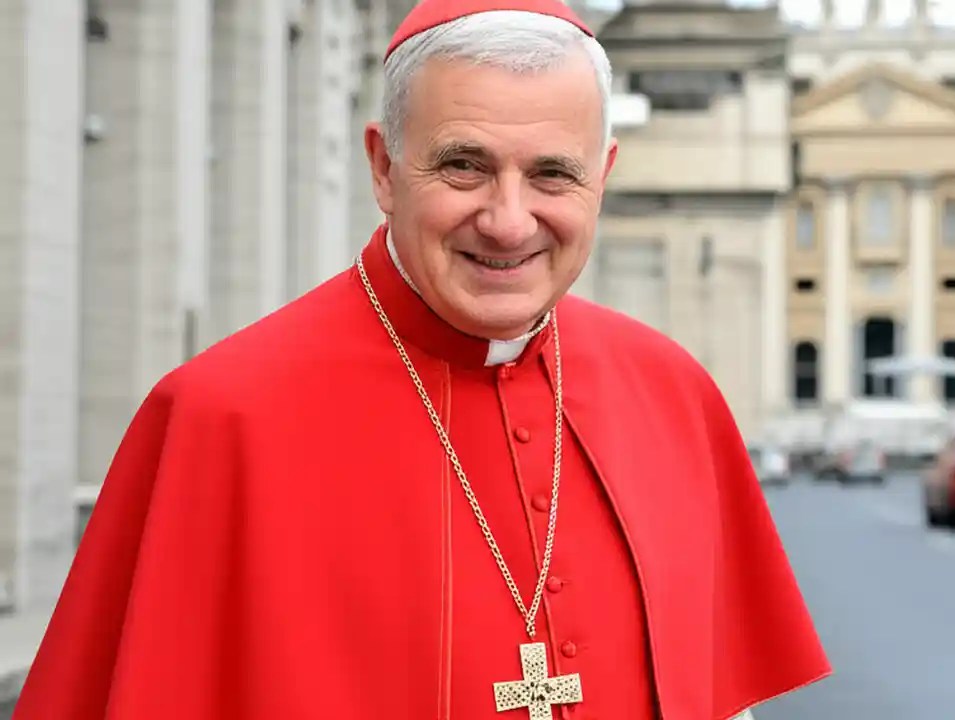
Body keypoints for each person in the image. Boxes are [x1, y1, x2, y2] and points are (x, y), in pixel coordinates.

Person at [14, 0, 830, 717]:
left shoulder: (672, 392)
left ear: (603, 178)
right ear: (383, 167)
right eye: (464, 166)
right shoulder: (219, 418)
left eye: (553, 175)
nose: (509, 222)